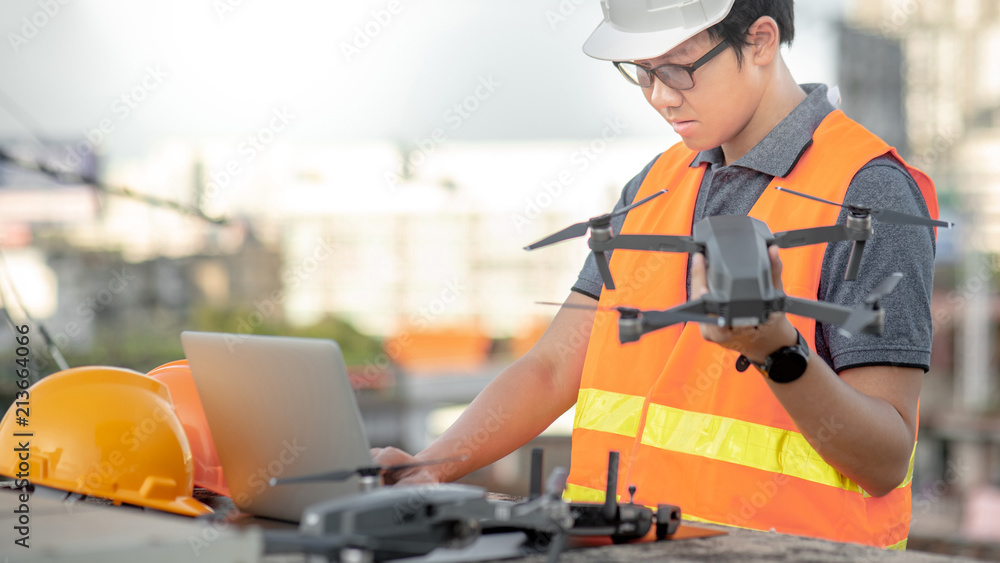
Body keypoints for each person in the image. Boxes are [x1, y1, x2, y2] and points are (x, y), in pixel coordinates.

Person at [374, 0, 939, 550]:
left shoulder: (869, 193)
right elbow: (551, 370)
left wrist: (779, 352)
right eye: (642, 73)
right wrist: (432, 465)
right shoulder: (654, 186)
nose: (661, 98)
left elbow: (885, 459)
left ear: (760, 40)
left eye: (678, 69)